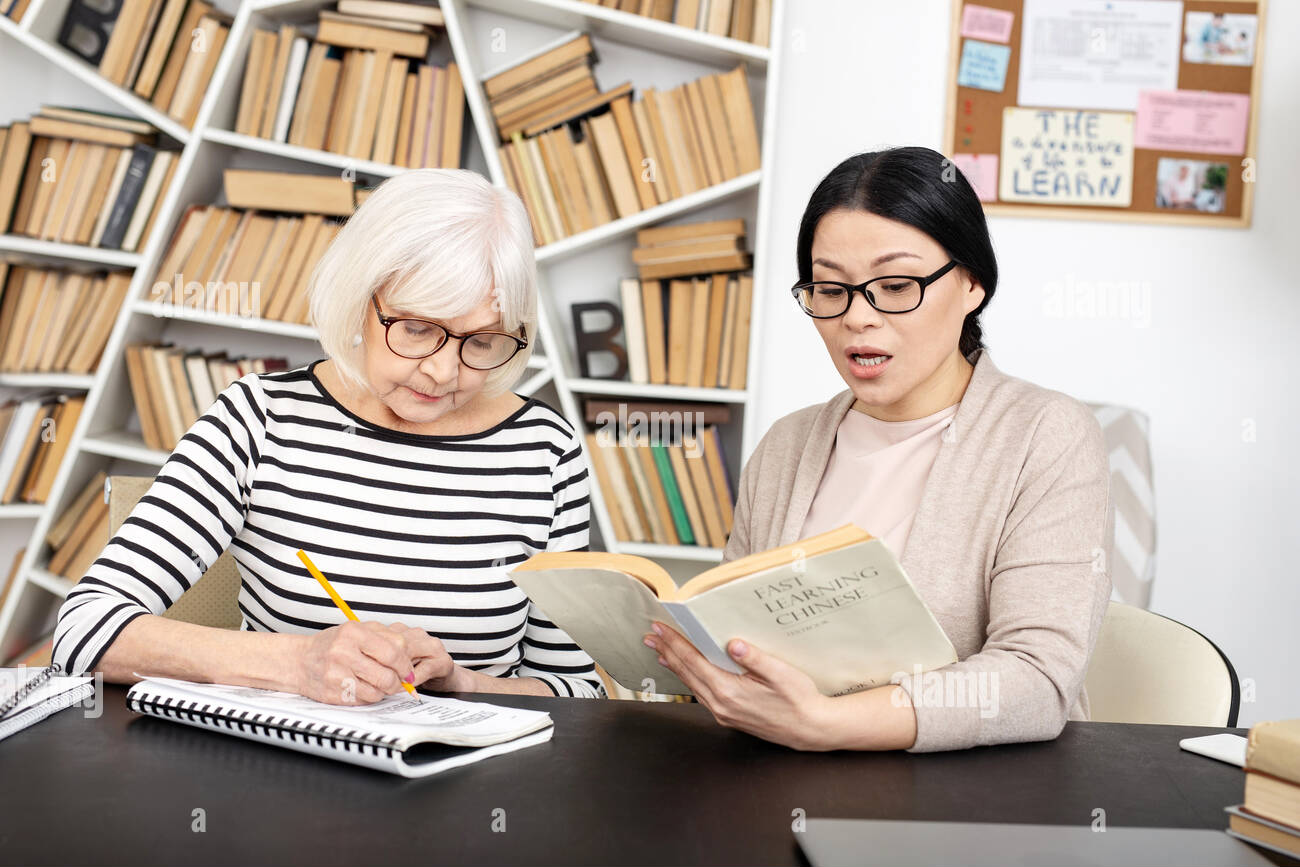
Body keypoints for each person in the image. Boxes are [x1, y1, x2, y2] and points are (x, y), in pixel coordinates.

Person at [52, 168, 605, 702]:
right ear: (360, 298)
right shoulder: (259, 418)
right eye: (416, 328)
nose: (443, 371)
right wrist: (298, 664)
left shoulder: (546, 449)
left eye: (481, 341)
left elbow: (577, 689)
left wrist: (461, 682)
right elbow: (84, 631)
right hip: (285, 770)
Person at [643, 147, 1113, 753]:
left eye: (895, 286)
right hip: (777, 777)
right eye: (830, 289)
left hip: (972, 804)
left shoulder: (1046, 435)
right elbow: (739, 636)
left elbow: (1035, 680)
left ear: (972, 283)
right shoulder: (787, 445)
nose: (857, 318)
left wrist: (825, 725)